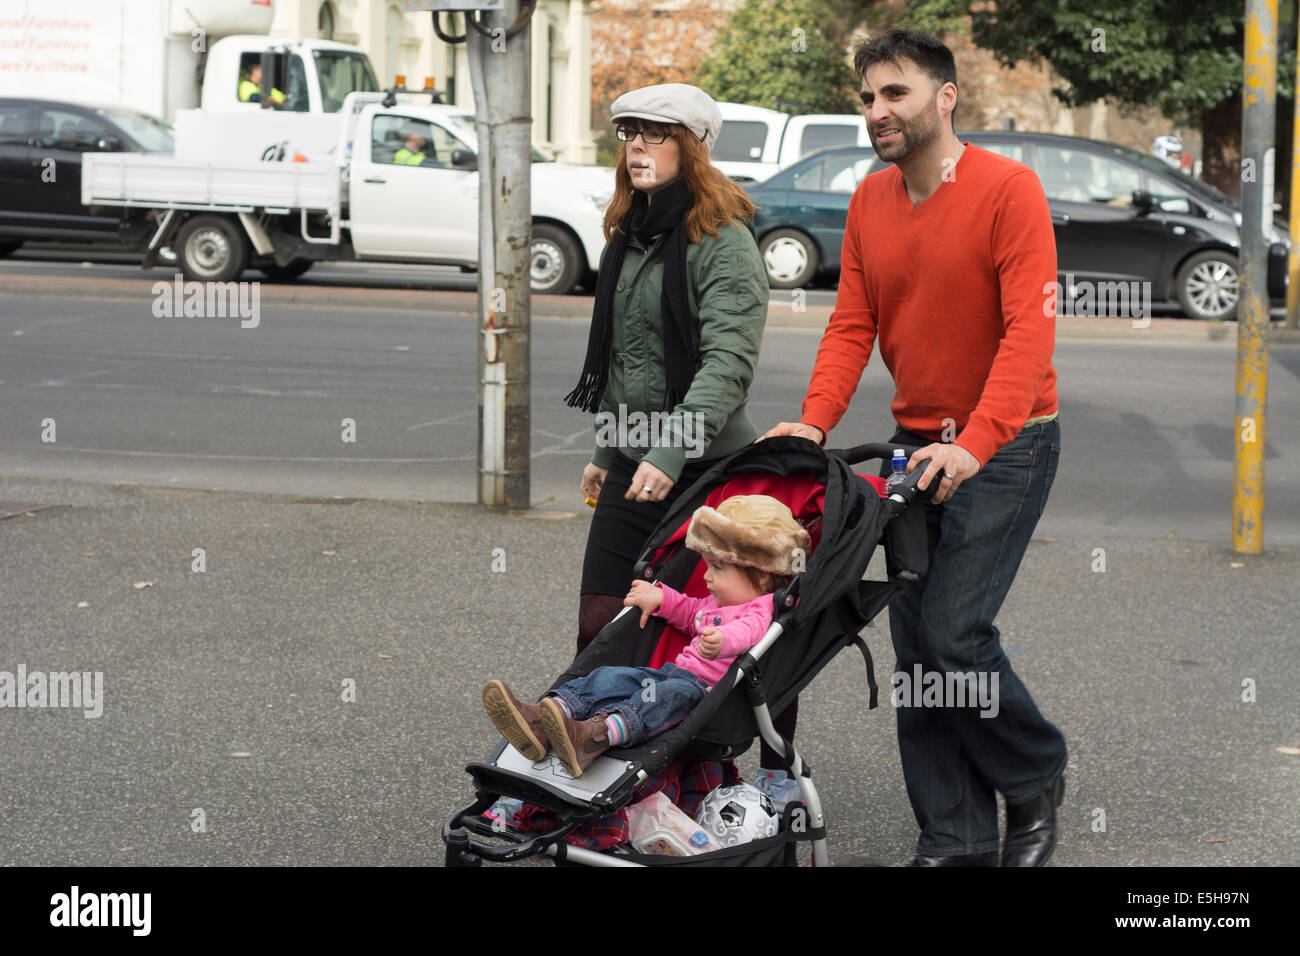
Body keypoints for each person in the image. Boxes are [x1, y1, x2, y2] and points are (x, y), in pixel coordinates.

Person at [763, 28, 1067, 867]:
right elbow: (852, 323)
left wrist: (974, 443)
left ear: (946, 95)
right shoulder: (869, 201)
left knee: (956, 635)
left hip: (1007, 445)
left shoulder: (1010, 190)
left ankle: (1035, 772)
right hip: (912, 445)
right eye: (866, 97)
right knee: (914, 647)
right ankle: (955, 837)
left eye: (894, 93)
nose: (876, 111)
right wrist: (813, 422)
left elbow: (1027, 336)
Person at [565, 83, 799, 802]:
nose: (636, 146)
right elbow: (625, 359)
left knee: (737, 633)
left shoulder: (721, 239)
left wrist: (668, 453)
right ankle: (596, 754)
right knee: (603, 617)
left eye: (655, 134)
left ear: (691, 148)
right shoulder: (628, 232)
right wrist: (611, 450)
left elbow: (726, 364)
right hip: (638, 456)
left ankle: (777, 770)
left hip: (708, 465)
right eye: (628, 133)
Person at [483, 496, 810, 777]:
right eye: (708, 565)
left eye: (718, 568)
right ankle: (546, 716)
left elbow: (748, 633)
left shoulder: (762, 608)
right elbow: (688, 610)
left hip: (705, 696)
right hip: (671, 675)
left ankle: (596, 737)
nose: (707, 576)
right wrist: (661, 599)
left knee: (663, 699)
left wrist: (723, 641)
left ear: (762, 571)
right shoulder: (718, 601)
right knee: (610, 678)